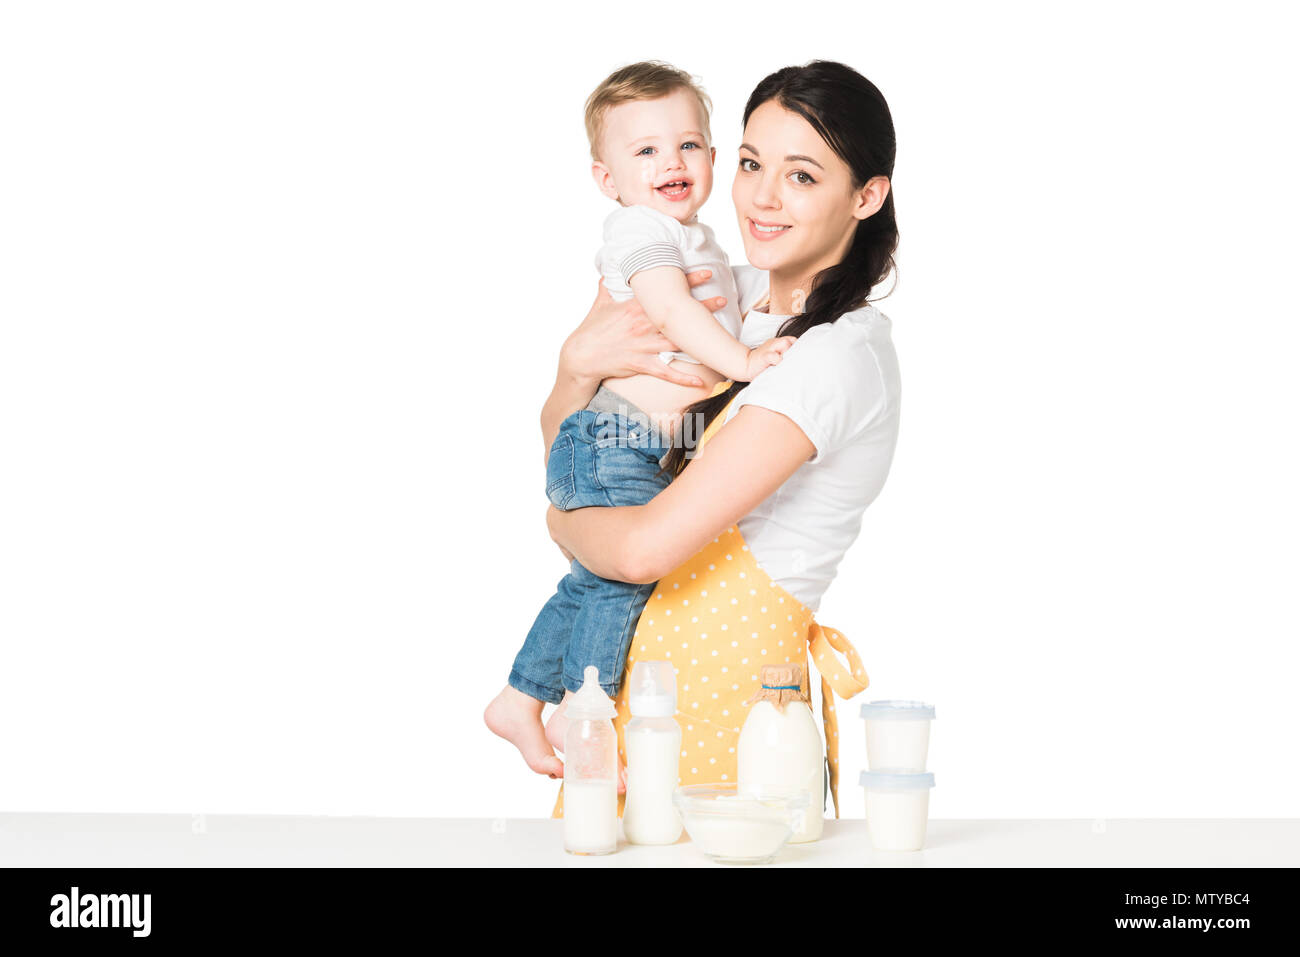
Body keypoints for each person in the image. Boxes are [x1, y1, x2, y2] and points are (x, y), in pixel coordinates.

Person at [545, 59, 902, 819]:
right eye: (749, 163)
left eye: (802, 176)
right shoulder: (715, 295)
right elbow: (576, 450)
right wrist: (574, 365)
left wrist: (561, 523)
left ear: (866, 195)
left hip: (736, 715)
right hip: (641, 699)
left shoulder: (836, 356)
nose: (762, 197)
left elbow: (639, 549)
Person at [483, 61, 794, 779]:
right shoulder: (638, 230)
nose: (671, 162)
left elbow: (744, 297)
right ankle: (584, 709)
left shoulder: (700, 241)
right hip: (612, 437)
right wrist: (744, 362)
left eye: (688, 145)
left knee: (594, 581)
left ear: (714, 161)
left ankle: (519, 697)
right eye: (645, 150)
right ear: (607, 179)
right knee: (625, 575)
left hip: (631, 443)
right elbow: (672, 309)